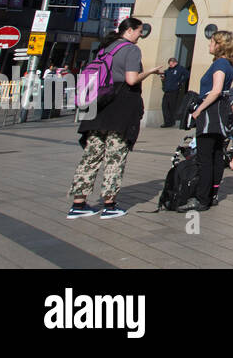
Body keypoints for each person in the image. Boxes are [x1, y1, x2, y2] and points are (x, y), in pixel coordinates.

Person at [68, 18, 162, 219]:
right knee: (115, 156)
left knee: (91, 156)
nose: (140, 35)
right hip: (121, 106)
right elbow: (131, 79)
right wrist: (150, 72)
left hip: (100, 105)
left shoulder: (106, 47)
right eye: (139, 31)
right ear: (129, 31)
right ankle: (109, 205)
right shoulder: (131, 50)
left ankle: (78, 203)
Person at [185, 31, 233, 210]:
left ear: (219, 45)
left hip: (211, 115)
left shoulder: (220, 64)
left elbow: (216, 90)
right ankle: (212, 194)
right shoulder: (228, 64)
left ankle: (201, 198)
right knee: (216, 155)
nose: (209, 45)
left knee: (205, 157)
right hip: (220, 114)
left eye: (211, 42)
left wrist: (198, 110)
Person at [159, 57, 189, 127]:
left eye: (171, 64)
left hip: (174, 90)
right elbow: (165, 75)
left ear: (175, 63)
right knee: (164, 106)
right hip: (167, 90)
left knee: (172, 107)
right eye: (169, 64)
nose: (170, 66)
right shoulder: (168, 70)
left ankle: (171, 121)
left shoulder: (180, 69)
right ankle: (167, 122)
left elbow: (187, 74)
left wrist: (180, 82)